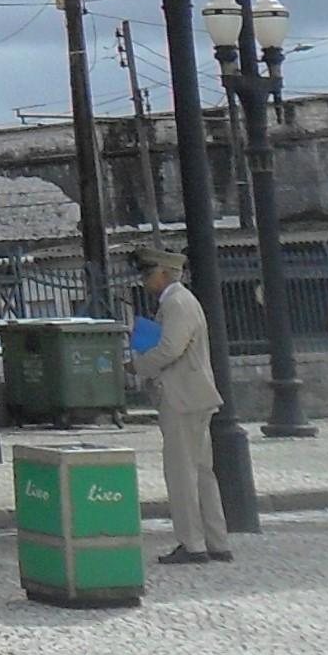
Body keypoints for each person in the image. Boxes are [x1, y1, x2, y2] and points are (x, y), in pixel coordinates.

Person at [128, 241, 233, 566]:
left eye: (148, 274)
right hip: (194, 394)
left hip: (181, 396)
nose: (145, 281)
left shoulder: (175, 303)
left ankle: (192, 543)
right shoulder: (180, 301)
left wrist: (138, 366)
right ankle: (217, 541)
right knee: (202, 472)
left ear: (162, 273)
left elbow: (170, 348)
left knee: (182, 472)